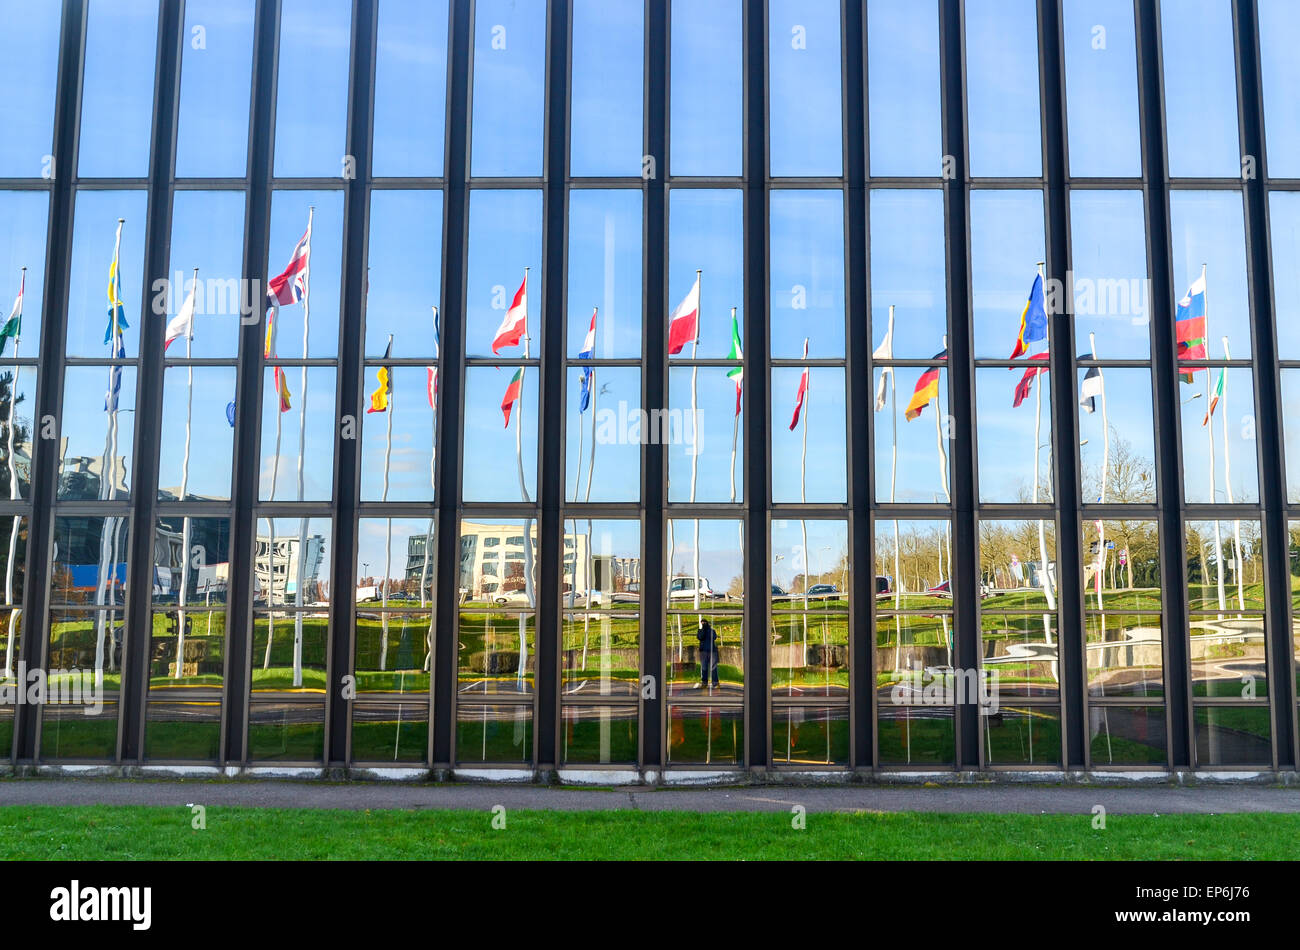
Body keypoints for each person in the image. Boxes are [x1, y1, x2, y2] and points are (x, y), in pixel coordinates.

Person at [696, 618, 720, 689]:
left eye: (704, 623)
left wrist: (708, 629)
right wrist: (704, 629)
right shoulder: (700, 631)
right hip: (703, 651)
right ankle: (704, 683)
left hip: (712, 651)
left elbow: (714, 637)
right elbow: (700, 637)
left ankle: (715, 683)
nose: (703, 624)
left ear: (707, 623)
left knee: (713, 667)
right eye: (702, 623)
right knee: (704, 667)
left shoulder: (712, 631)